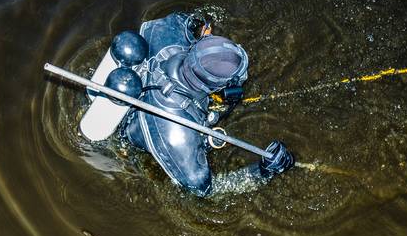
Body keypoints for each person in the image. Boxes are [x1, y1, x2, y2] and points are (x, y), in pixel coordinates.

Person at [113, 11, 294, 196]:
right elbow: (206, 189)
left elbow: (191, 20)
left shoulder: (169, 29)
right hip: (145, 134)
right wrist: (264, 171)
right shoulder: (179, 139)